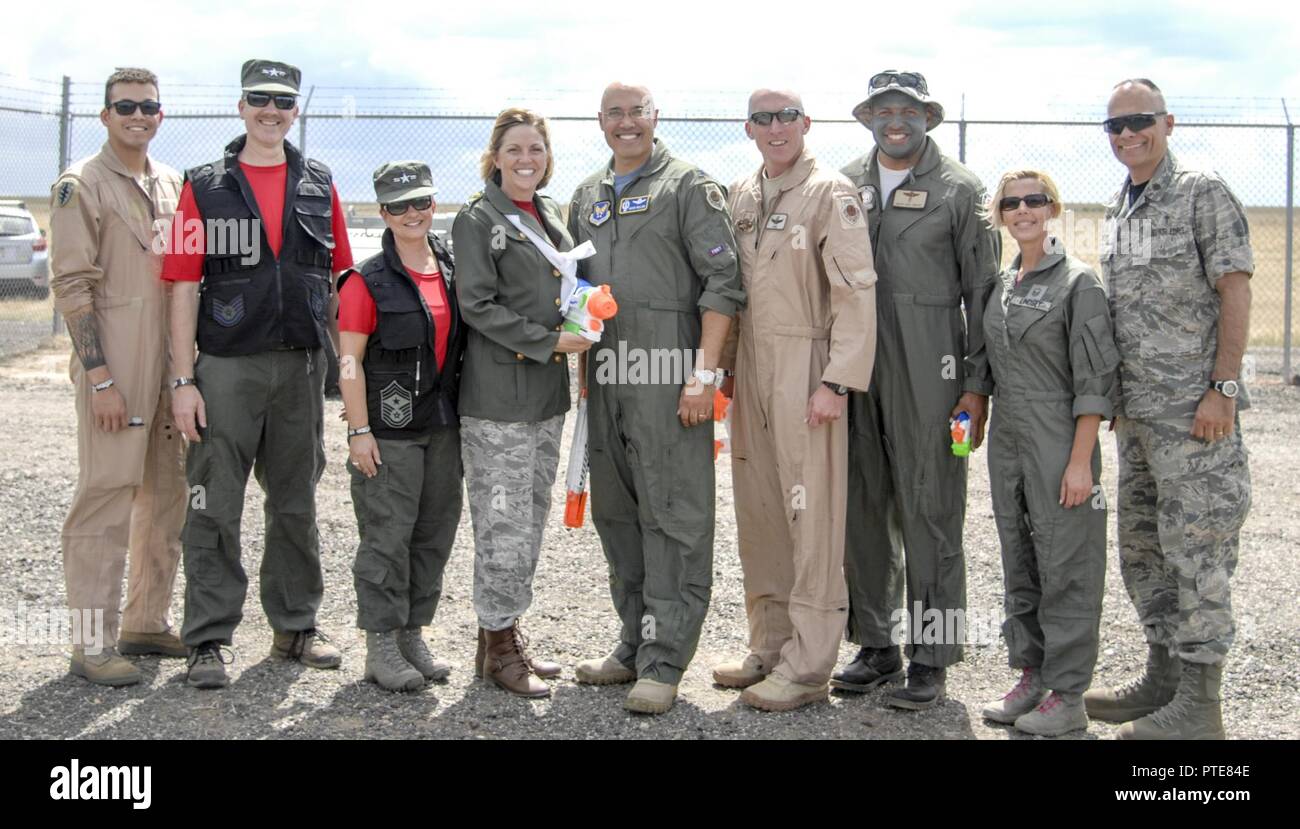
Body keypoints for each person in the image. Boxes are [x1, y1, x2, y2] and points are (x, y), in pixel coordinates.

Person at [164, 59, 354, 689]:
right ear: (240, 105)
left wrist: (347, 372)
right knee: (214, 502)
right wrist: (182, 381)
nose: (271, 111)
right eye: (259, 99)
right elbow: (182, 286)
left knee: (295, 502)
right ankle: (208, 639)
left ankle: (295, 627)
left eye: (283, 101)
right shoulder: (205, 185)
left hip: (300, 365)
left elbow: (341, 285)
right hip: (224, 366)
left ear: (295, 109)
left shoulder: (318, 183)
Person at [567, 83, 744, 715]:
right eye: (613, 113)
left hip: (671, 377)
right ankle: (633, 644)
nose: (625, 123)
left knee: (674, 516)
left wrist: (705, 377)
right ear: (600, 122)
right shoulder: (587, 195)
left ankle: (666, 661)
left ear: (654, 118)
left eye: (635, 112)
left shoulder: (688, 187)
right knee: (617, 515)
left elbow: (725, 282)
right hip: (607, 378)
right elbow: (575, 287)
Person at [1086, 79, 1253, 740]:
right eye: (1116, 126)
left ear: (1168, 122)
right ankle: (1163, 678)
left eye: (1140, 121)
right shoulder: (1119, 205)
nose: (1128, 135)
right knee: (1146, 551)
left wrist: (1225, 387)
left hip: (1195, 416)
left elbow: (1234, 289)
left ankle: (1200, 706)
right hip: (1141, 420)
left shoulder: (1200, 192)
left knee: (1199, 551)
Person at [834, 70, 1000, 710]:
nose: (894, 120)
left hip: (933, 373)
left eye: (907, 109)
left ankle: (932, 656)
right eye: (883, 109)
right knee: (862, 510)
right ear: (867, 117)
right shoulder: (844, 183)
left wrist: (977, 386)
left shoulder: (960, 189)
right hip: (856, 368)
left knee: (932, 511)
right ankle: (876, 644)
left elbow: (982, 292)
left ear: (926, 117)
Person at [710, 89, 877, 712]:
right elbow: (731, 287)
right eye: (762, 118)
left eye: (787, 117)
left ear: (806, 124)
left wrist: (837, 381)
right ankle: (772, 645)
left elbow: (856, 292)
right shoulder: (742, 193)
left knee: (813, 516)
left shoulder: (831, 193)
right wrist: (725, 368)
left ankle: (808, 665)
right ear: (748, 126)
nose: (775, 127)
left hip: (808, 364)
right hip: (752, 364)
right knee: (760, 510)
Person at [50, 67, 187, 686]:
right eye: (125, 106)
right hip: (118, 370)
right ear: (104, 115)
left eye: (148, 106)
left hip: (167, 369)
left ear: (161, 115)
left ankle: (144, 621)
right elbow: (72, 288)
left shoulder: (170, 183)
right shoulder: (81, 185)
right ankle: (90, 644)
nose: (138, 115)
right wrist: (100, 377)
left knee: (166, 496)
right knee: (106, 497)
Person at [977, 171, 1118, 736]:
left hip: (1060, 435)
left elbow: (1095, 383)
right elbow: (985, 362)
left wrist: (1081, 461)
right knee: (1020, 559)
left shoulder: (1078, 282)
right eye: (1011, 203)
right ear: (1001, 215)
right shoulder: (1003, 280)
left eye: (1034, 200)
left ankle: (1069, 693)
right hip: (1009, 434)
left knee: (1069, 564)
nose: (1023, 210)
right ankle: (1032, 676)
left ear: (1053, 207)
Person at [452, 108, 583, 698]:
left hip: (547, 394)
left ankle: (498, 643)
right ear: (496, 156)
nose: (526, 159)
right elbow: (476, 305)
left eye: (536, 148)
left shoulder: (550, 214)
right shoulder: (479, 220)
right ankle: (502, 648)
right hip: (499, 397)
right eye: (514, 149)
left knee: (528, 520)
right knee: (501, 524)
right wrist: (550, 340)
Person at [337, 162, 464, 692]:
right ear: (382, 212)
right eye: (398, 206)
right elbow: (349, 362)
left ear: (434, 204)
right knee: (388, 534)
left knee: (433, 533)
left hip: (442, 424)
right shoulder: (365, 281)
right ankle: (381, 643)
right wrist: (358, 431)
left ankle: (413, 633)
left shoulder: (455, 267)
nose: (412, 214)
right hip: (389, 430)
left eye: (421, 202)